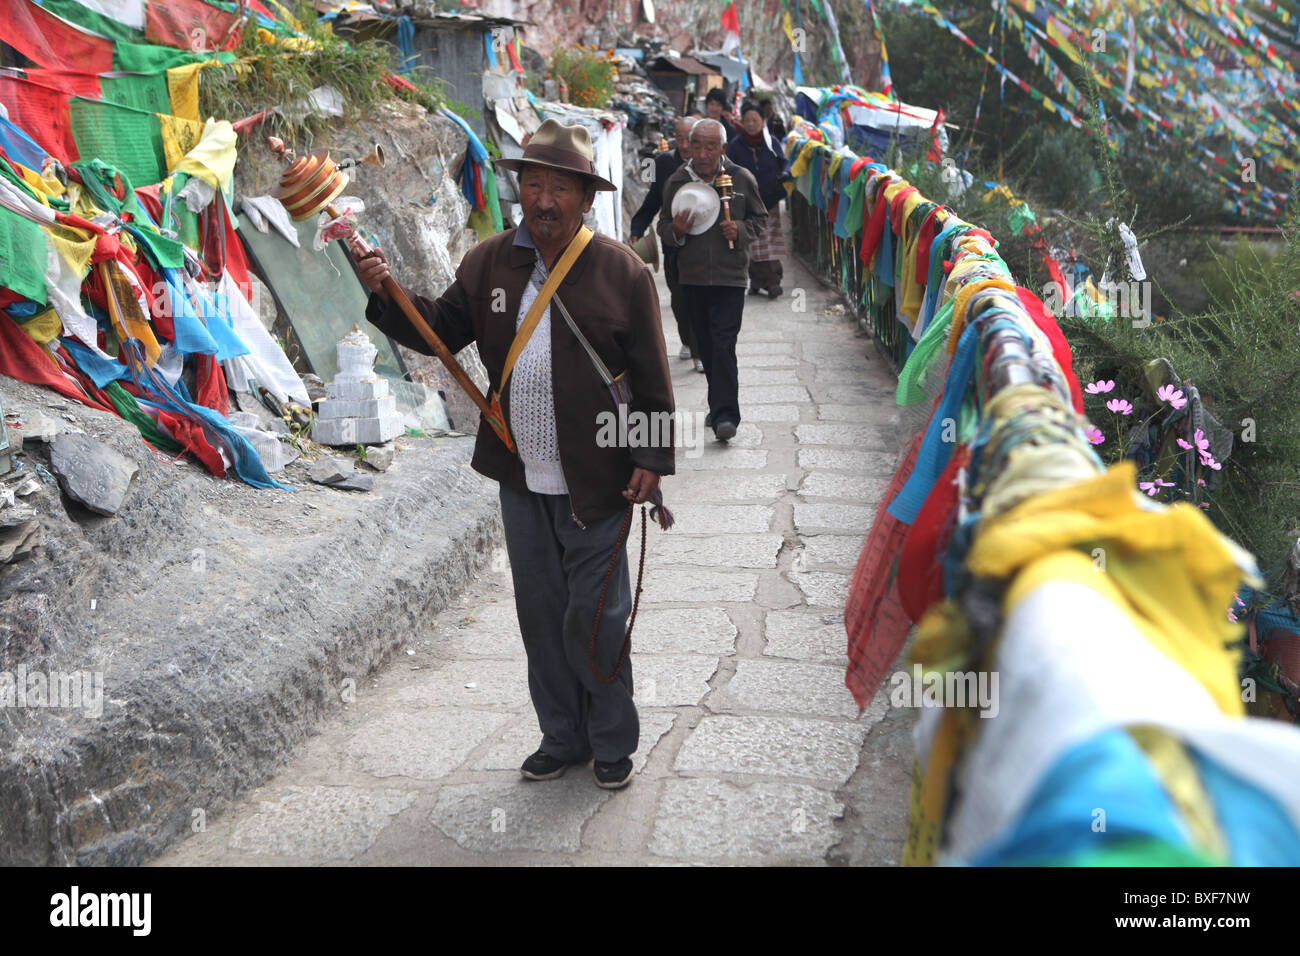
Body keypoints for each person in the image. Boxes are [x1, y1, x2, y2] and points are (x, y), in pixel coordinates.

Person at [353, 119, 675, 791]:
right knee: (541, 616)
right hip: (522, 477)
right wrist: (386, 291)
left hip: (602, 479)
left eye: (561, 187)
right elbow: (439, 330)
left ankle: (611, 740)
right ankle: (562, 735)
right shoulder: (489, 261)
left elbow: (651, 376)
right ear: (519, 189)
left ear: (586, 198)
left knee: (595, 617)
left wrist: (650, 458)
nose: (545, 199)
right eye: (533, 184)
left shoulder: (620, 271)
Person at [658, 118, 765, 443]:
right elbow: (663, 226)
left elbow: (761, 218)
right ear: (687, 147)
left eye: (711, 146)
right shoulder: (677, 181)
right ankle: (718, 403)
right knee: (704, 345)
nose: (703, 153)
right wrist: (675, 231)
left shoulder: (740, 178)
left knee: (723, 344)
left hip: (730, 277)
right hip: (690, 277)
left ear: (722, 148)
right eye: (697, 146)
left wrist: (742, 231)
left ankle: (726, 416)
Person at [629, 116, 701, 370]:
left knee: (699, 296)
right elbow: (652, 201)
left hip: (703, 244)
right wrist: (637, 228)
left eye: (688, 139)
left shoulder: (706, 163)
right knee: (679, 296)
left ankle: (700, 349)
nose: (683, 145)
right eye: (679, 138)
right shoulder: (663, 163)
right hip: (673, 242)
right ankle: (688, 341)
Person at [726, 102, 789, 298]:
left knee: (769, 241)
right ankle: (762, 280)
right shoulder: (736, 146)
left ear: (763, 121)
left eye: (755, 120)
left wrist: (785, 175)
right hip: (746, 203)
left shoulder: (771, 142)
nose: (751, 124)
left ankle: (770, 280)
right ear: (742, 122)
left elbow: (784, 163)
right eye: (747, 120)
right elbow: (728, 169)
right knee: (754, 242)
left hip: (769, 200)